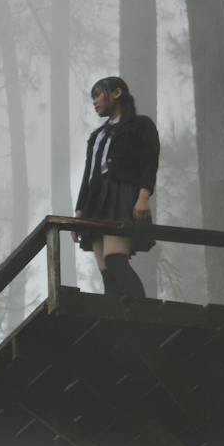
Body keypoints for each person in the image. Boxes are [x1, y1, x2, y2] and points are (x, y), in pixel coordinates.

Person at [73, 76, 159, 298]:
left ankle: (144, 315)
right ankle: (115, 324)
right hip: (96, 201)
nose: (94, 102)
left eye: (98, 95)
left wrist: (143, 196)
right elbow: (88, 174)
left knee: (115, 259)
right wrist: (78, 213)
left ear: (117, 93)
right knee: (105, 270)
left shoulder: (140, 125)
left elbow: (149, 162)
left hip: (122, 195)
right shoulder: (97, 136)